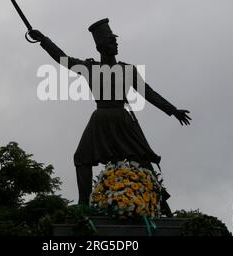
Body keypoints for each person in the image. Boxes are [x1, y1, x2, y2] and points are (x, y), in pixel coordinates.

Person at [29, 18, 191, 216]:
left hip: (122, 119)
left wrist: (173, 110)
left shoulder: (127, 69)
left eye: (115, 40)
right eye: (110, 40)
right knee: (81, 157)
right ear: (99, 45)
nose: (115, 43)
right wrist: (43, 40)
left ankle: (164, 210)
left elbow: (149, 93)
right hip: (100, 119)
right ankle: (84, 204)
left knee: (142, 161)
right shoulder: (90, 68)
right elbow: (64, 59)